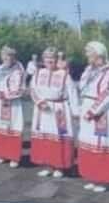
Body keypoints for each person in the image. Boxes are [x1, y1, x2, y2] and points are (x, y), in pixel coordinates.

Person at [75, 42, 109, 193]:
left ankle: (105, 180)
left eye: (89, 53)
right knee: (88, 142)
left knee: (102, 143)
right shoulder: (89, 69)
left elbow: (107, 92)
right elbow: (82, 87)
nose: (87, 56)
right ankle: (93, 176)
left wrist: (93, 111)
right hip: (87, 105)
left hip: (101, 111)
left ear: (98, 54)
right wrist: (82, 107)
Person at [29, 47, 77, 179]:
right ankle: (48, 165)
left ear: (56, 60)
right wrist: (39, 102)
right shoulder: (38, 73)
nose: (49, 61)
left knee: (59, 137)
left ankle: (60, 167)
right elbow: (32, 89)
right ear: (43, 60)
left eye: (52, 59)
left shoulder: (64, 75)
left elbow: (72, 93)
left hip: (59, 109)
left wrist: (75, 112)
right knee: (44, 137)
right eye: (47, 59)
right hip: (42, 109)